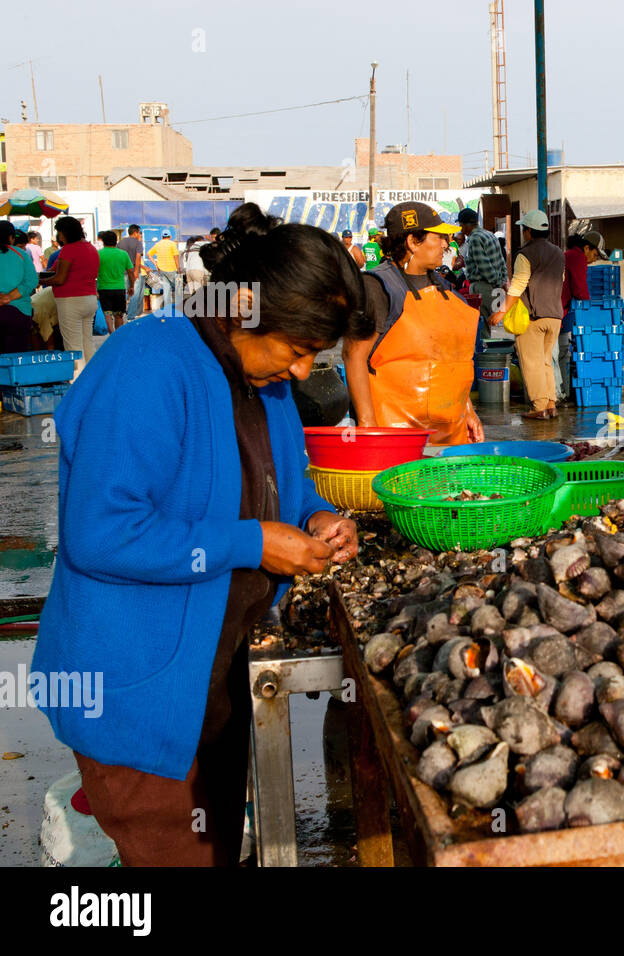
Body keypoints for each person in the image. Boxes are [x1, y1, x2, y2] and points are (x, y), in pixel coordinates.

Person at [32, 202, 367, 867]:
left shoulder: (258, 373)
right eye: (298, 351)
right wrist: (254, 543)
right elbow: (101, 533)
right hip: (138, 690)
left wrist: (318, 516)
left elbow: (286, 484)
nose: (304, 372)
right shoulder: (148, 364)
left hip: (213, 681)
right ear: (243, 307)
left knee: (214, 849)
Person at [343, 202, 484, 442]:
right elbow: (353, 355)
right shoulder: (378, 287)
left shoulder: (444, 286)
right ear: (412, 242)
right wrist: (368, 424)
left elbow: (451, 359)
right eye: (438, 236)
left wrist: (468, 411)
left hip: (450, 432)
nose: (445, 243)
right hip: (396, 435)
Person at [488, 209, 564, 420]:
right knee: (546, 361)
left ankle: (539, 408)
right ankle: (550, 404)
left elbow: (518, 285)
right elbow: (561, 280)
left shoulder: (525, 254)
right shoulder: (558, 253)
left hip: (534, 316)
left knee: (532, 363)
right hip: (555, 316)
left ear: (528, 231)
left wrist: (501, 312)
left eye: (524, 229)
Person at [43, 217, 100, 375]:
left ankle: (76, 383)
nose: (58, 237)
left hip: (71, 301)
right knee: (87, 343)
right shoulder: (91, 248)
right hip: (89, 299)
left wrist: (39, 280)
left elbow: (59, 278)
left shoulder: (69, 249)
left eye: (59, 233)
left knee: (73, 347)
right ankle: (93, 379)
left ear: (65, 233)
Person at [558, 230, 607, 403]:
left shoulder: (569, 255)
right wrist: (592, 311)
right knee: (561, 352)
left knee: (560, 351)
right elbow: (580, 289)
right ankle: (560, 392)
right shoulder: (577, 257)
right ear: (586, 248)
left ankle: (559, 391)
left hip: (559, 308)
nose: (595, 259)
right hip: (558, 311)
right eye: (595, 254)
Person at [458, 207, 508, 355]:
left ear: (467, 225)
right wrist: (502, 282)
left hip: (485, 286)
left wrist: (494, 282)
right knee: (499, 330)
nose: (461, 229)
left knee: (487, 329)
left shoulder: (474, 238)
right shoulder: (490, 235)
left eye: (461, 225)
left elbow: (484, 266)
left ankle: (490, 365)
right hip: (497, 287)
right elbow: (502, 262)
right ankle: (503, 361)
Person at [0, 222, 40, 352]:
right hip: (19, 312)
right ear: (11, 238)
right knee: (16, 356)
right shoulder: (21, 254)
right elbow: (32, 280)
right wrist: (9, 297)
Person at [95, 230, 134, 334]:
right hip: (119, 288)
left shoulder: (98, 254)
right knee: (119, 314)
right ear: (116, 241)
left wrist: (94, 289)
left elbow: (93, 273)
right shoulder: (123, 254)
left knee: (107, 314)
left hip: (103, 289)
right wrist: (132, 286)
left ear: (103, 241)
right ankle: (117, 336)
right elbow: (131, 272)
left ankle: (111, 334)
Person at [120, 224, 147, 322]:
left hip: (123, 271)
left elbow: (120, 257)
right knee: (134, 294)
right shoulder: (137, 243)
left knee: (124, 294)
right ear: (135, 232)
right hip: (134, 271)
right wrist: (136, 271)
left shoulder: (121, 242)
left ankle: (121, 315)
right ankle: (130, 316)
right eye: (139, 233)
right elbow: (138, 257)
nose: (140, 234)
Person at [147, 230, 181, 306]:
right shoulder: (172, 244)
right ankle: (180, 307)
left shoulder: (158, 244)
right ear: (170, 236)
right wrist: (178, 268)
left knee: (166, 289)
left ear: (162, 236)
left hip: (161, 270)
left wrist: (155, 264)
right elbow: (176, 256)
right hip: (172, 269)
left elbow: (148, 254)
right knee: (178, 289)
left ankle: (167, 308)